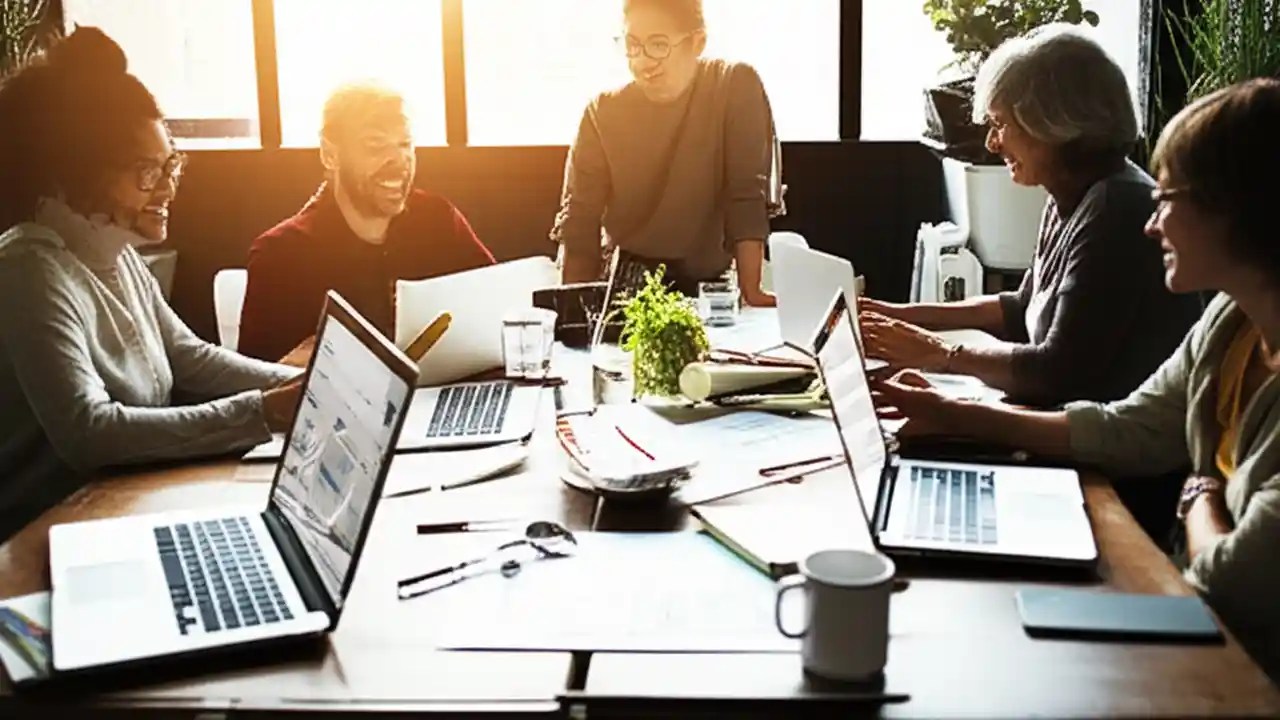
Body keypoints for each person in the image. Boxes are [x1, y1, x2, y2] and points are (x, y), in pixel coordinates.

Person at [873, 78, 1280, 684]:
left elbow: (1229, 583)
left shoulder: (1114, 207)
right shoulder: (1230, 321)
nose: (1152, 222)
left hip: (1246, 674)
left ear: (1237, 206)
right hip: (1190, 618)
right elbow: (1131, 427)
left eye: (1168, 198)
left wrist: (1199, 497)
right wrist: (957, 416)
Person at [0, 28, 302, 541]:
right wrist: (262, 413)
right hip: (47, 539)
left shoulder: (115, 249)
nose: (166, 188)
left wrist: (303, 387)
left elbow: (188, 356)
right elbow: (89, 433)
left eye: (170, 166)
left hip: (121, 506)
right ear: (74, 173)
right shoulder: (31, 273)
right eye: (145, 172)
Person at [860, 25, 1201, 408]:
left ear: (1054, 122)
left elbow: (1055, 373)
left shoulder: (1115, 207)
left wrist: (941, 353)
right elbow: (1020, 309)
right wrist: (896, 315)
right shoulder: (1072, 192)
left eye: (1000, 124)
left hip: (1104, 451)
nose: (991, 142)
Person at [550, 0, 784, 306]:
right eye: (633, 45)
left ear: (698, 42)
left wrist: (751, 290)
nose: (643, 61)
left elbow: (746, 196)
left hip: (712, 284)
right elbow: (580, 223)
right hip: (627, 284)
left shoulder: (734, 86)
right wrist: (571, 314)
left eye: (658, 45)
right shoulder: (601, 112)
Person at [238, 82, 494, 362]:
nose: (399, 160)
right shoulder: (280, 254)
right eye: (376, 146)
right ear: (330, 155)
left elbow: (495, 305)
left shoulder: (438, 219)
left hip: (447, 396)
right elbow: (257, 388)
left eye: (405, 144)